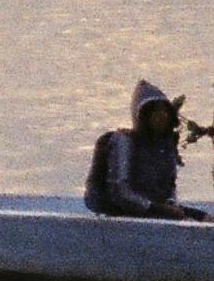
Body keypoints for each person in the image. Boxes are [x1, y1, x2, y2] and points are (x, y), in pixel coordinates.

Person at [84, 82, 207, 220]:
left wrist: (192, 213)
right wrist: (158, 209)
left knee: (207, 218)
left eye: (165, 111)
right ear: (143, 116)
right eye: (155, 111)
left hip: (153, 212)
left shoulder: (165, 147)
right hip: (121, 214)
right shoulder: (124, 141)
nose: (162, 116)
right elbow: (120, 191)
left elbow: (169, 190)